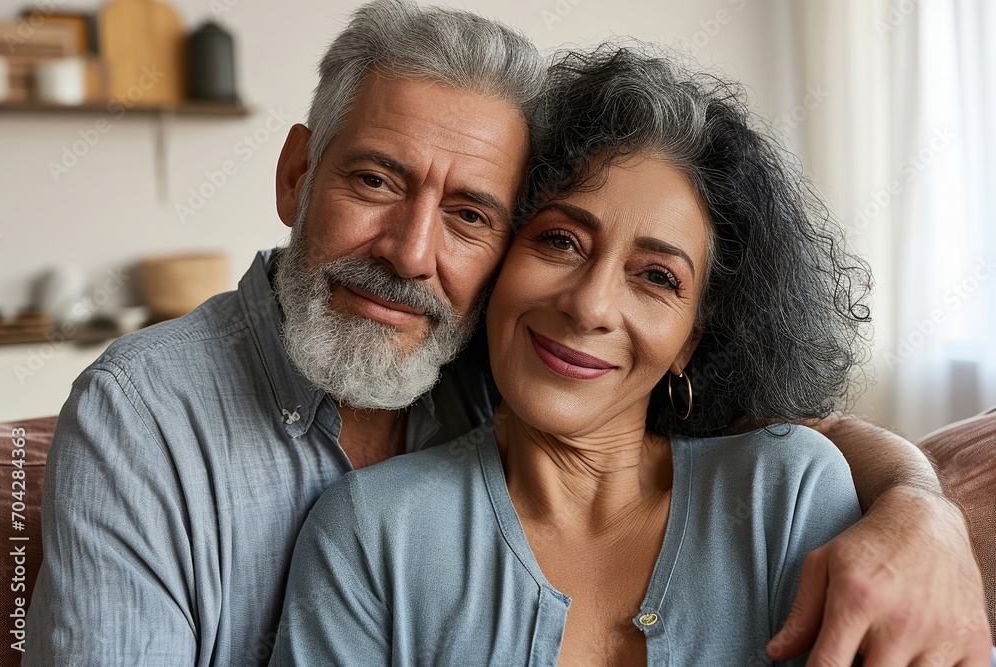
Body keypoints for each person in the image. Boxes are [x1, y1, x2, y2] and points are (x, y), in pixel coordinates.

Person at [24, 2, 991, 666]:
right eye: (374, 180)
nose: (411, 253)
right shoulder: (150, 417)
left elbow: (801, 438)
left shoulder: (501, 365)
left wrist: (922, 505)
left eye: (471, 215)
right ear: (295, 177)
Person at [269, 43, 995, 666]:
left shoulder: (786, 492)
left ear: (693, 340)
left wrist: (925, 507)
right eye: (559, 240)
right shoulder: (371, 531)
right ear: (496, 258)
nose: (589, 305)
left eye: (657, 277)